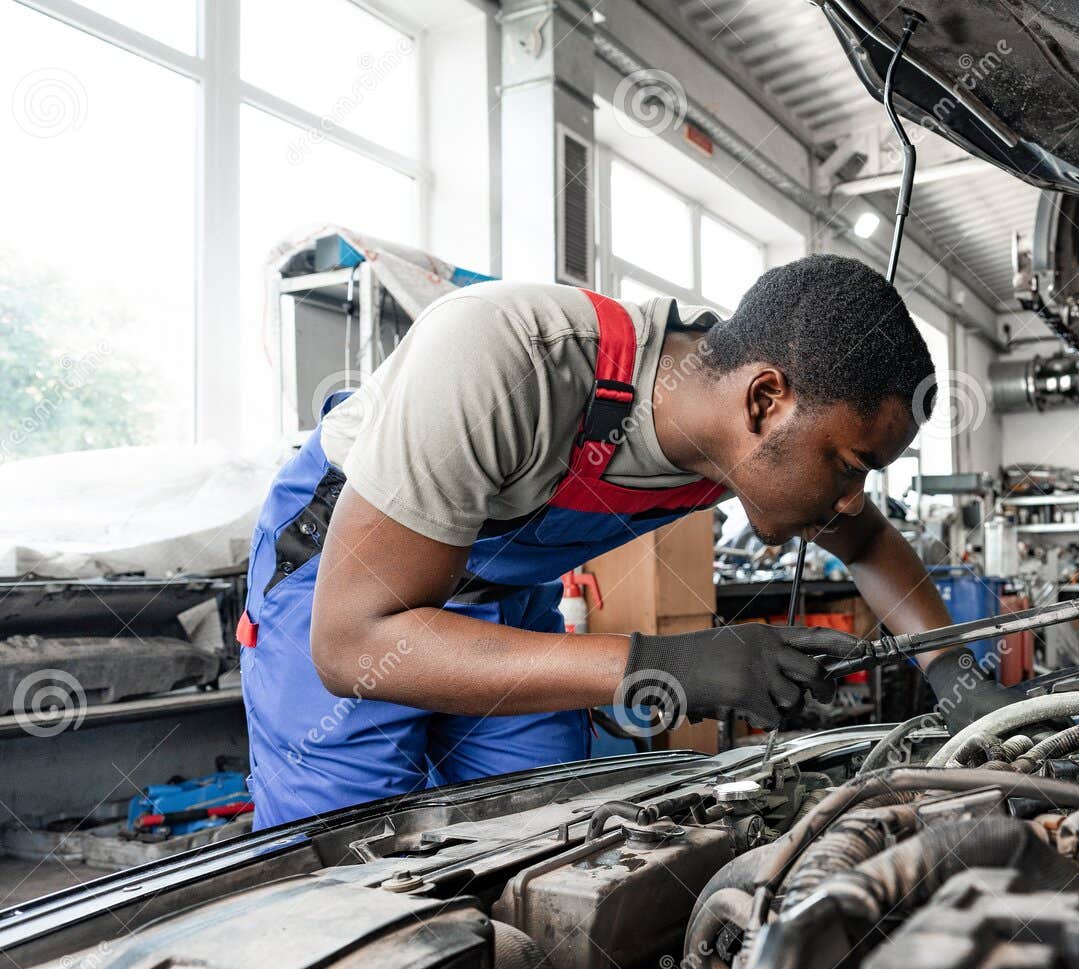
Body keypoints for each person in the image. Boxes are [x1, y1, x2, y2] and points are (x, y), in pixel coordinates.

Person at [238, 254, 1015, 827]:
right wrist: (668, 663)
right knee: (352, 874)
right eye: (850, 467)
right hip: (339, 589)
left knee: (548, 835)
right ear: (765, 401)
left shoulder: (732, 428)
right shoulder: (508, 360)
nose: (852, 499)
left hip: (498, 600)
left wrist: (955, 677)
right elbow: (348, 647)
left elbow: (872, 547)